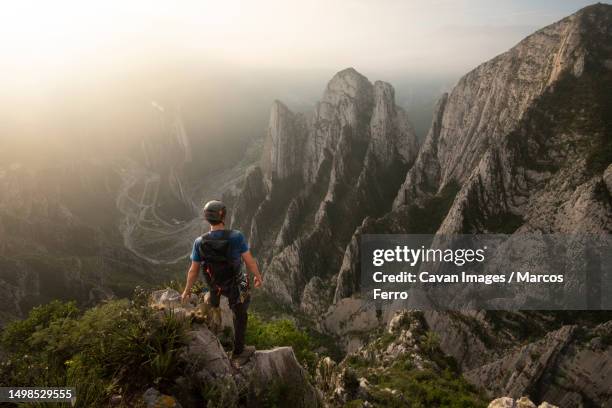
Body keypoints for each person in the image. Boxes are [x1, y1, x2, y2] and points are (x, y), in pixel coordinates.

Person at [181, 200, 263, 364]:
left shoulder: (199, 242)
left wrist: (187, 290)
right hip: (236, 286)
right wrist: (257, 276)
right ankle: (239, 351)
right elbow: (249, 261)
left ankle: (214, 310)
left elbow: (194, 270)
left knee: (213, 294)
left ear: (207, 219)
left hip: (215, 286)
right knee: (240, 315)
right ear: (223, 216)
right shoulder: (236, 237)